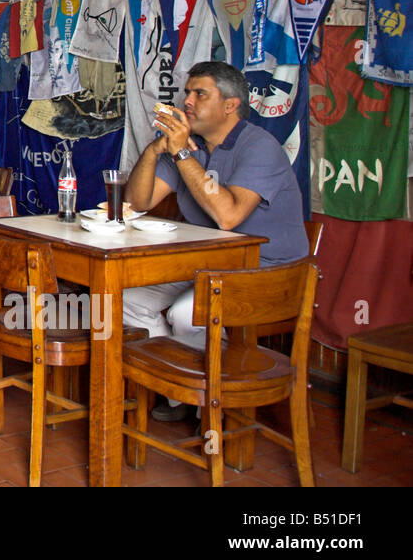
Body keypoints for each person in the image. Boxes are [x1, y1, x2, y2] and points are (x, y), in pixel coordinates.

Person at [122, 61, 308, 420]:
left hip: (268, 274)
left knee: (186, 314)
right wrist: (153, 151)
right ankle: (183, 396)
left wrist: (181, 154)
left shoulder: (259, 146)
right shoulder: (188, 146)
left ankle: (213, 407)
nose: (187, 101)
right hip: (208, 266)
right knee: (126, 297)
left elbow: (229, 216)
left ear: (230, 105)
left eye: (199, 94)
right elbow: (137, 204)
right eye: (186, 93)